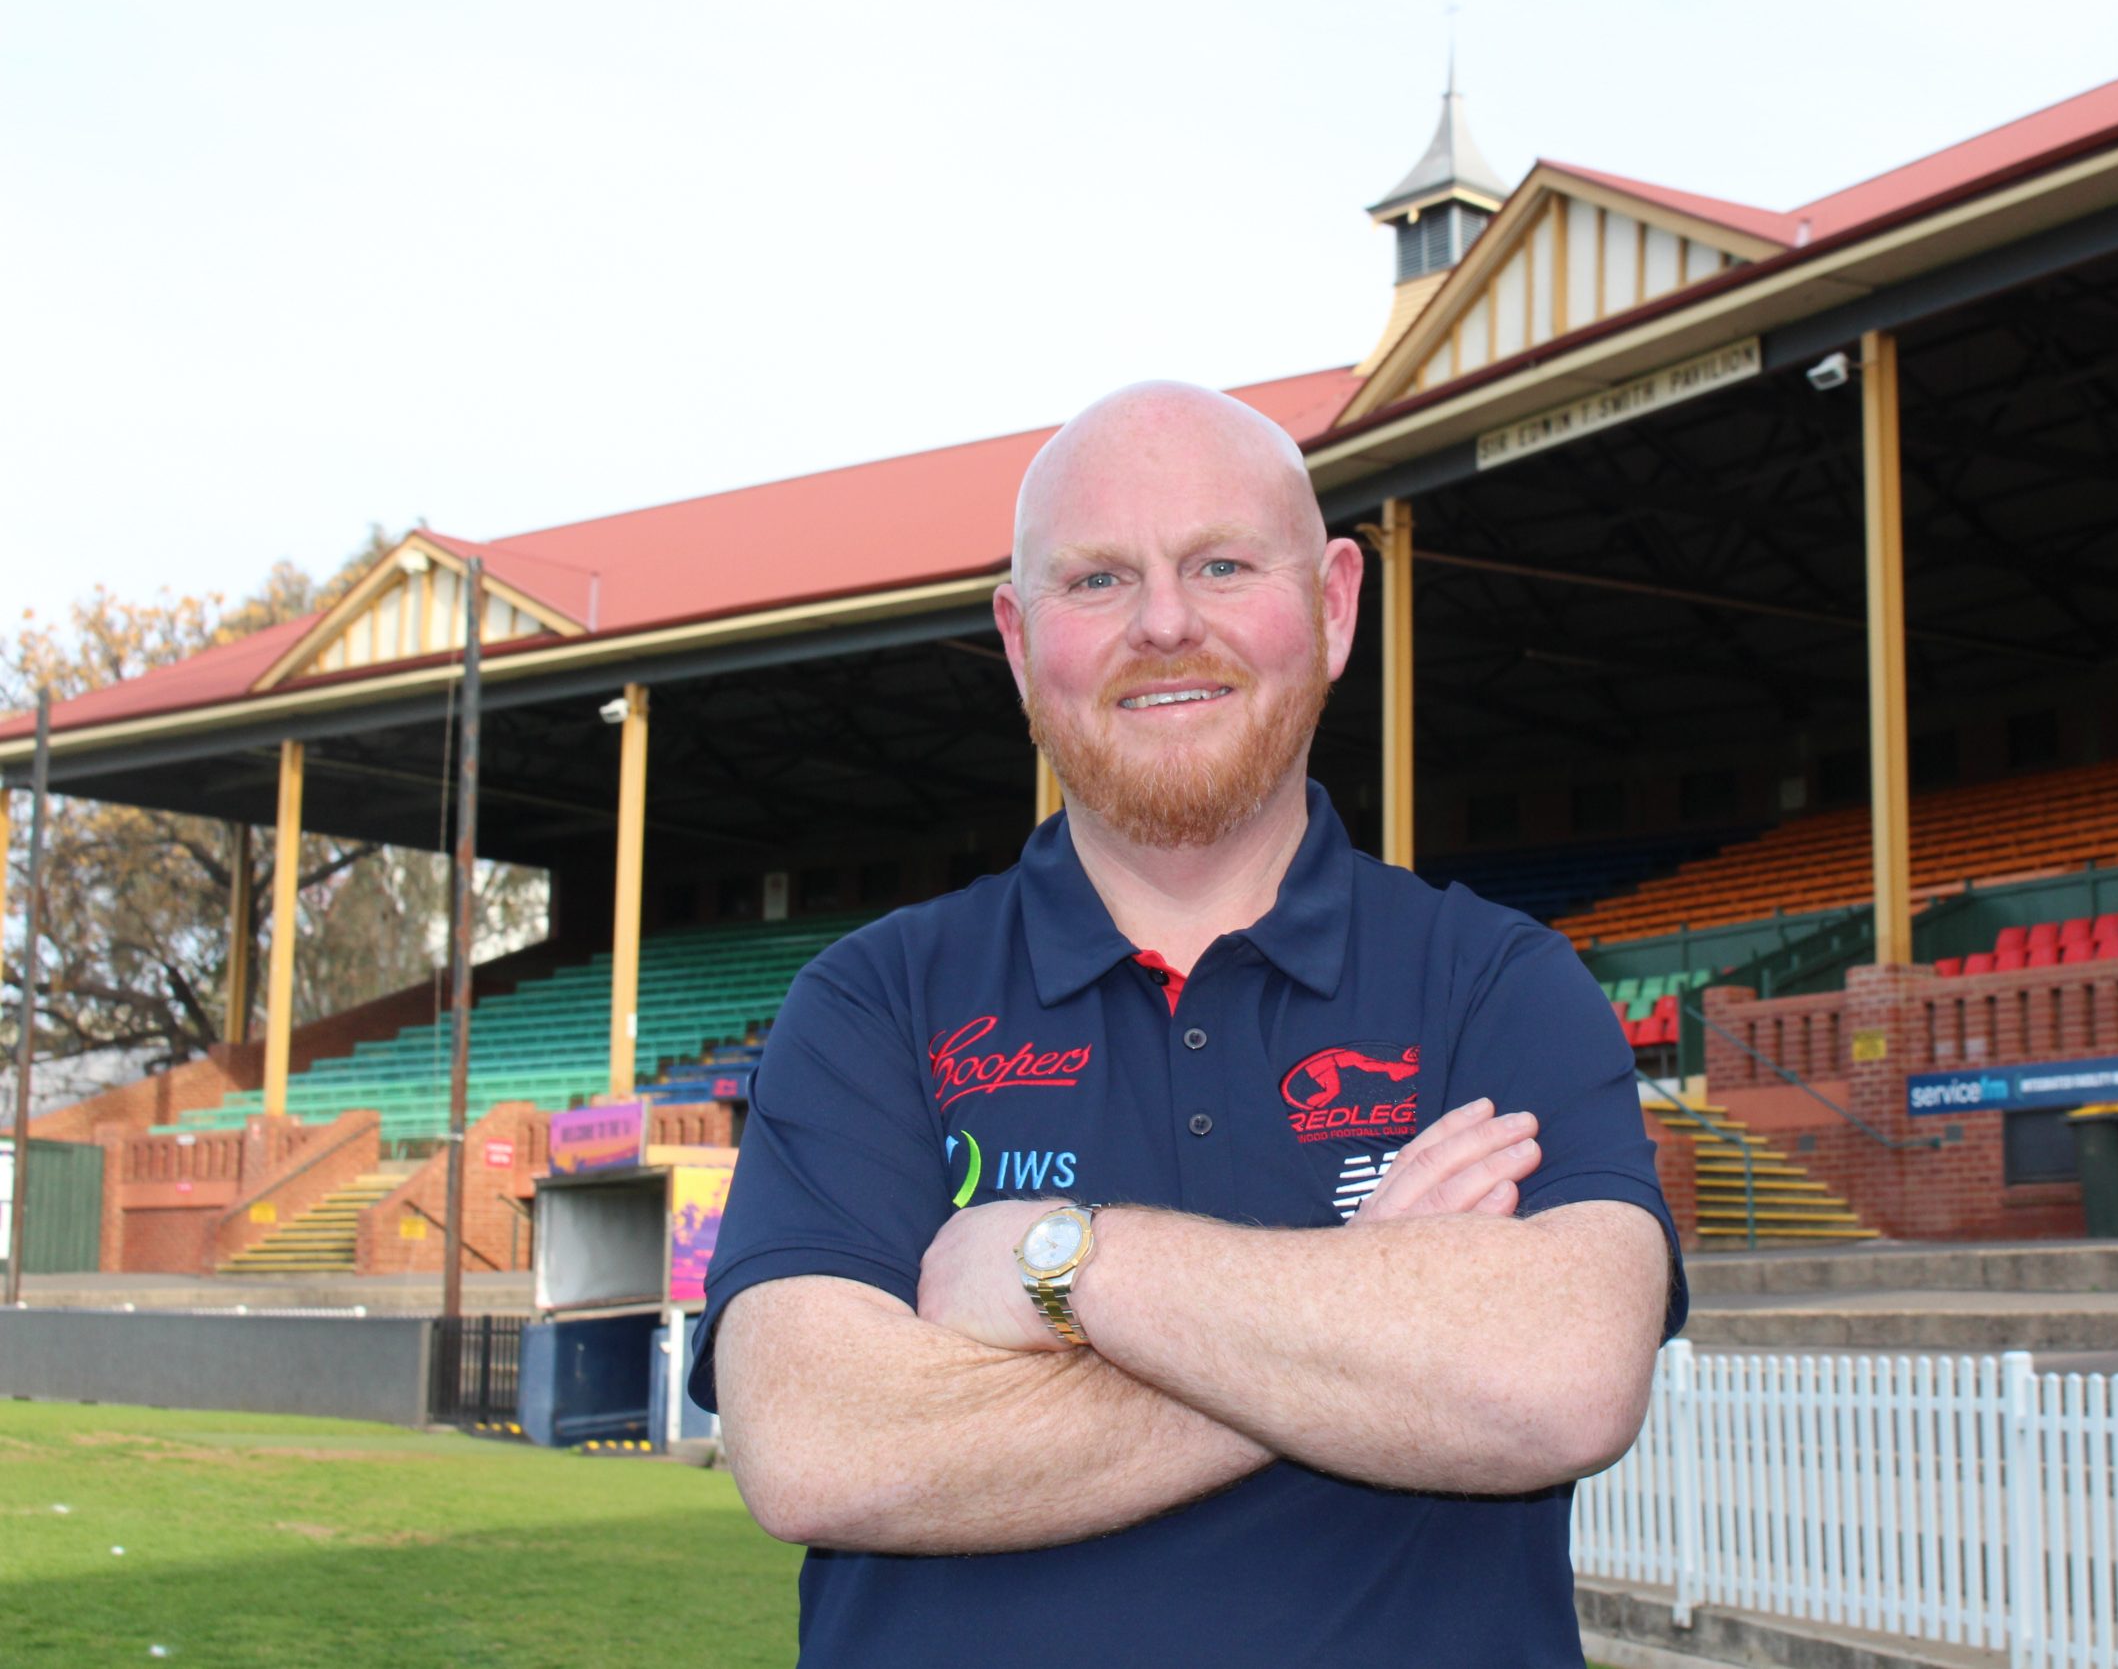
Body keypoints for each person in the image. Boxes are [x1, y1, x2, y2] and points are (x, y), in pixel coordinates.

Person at [689, 381, 1687, 1668]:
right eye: (1097, 581)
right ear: (1016, 638)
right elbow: (818, 1447)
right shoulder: (868, 1002)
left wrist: (1070, 1268)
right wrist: (1372, 1327)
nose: (1164, 624)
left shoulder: (1496, 981)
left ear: (1332, 606)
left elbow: (1559, 1377)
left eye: (1221, 563)